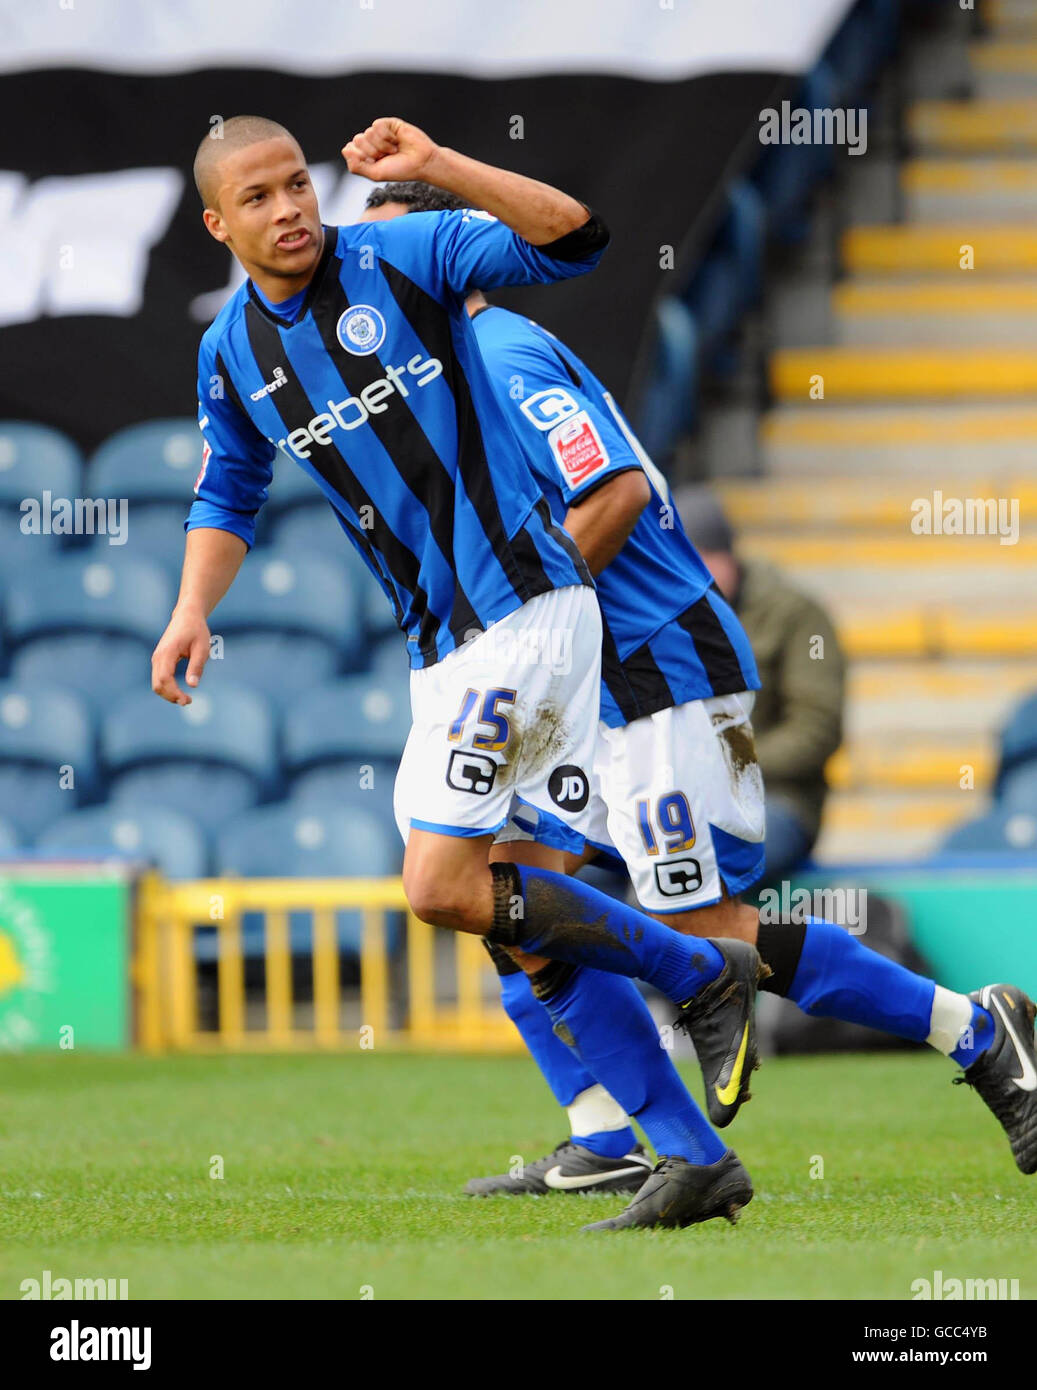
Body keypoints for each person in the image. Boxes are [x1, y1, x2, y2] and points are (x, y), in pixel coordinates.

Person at [150, 114, 768, 1233]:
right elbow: (227, 491)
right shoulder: (230, 349)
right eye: (258, 197)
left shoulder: (398, 253)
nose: (288, 207)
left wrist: (434, 169)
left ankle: (692, 968)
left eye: (298, 183)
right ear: (216, 222)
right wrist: (193, 609)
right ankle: (683, 1154)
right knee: (517, 911)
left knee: (438, 885)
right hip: (442, 647)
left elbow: (575, 237)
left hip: (527, 612)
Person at [359, 181, 1037, 1196]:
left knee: (701, 933)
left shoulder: (501, 357)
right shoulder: (440, 384)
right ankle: (603, 1132)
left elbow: (614, 493)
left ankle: (978, 1029)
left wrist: (516, 627)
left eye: (380, 261)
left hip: (648, 665)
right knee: (497, 884)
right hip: (569, 681)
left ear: (441, 262)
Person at [675, 485, 844, 880]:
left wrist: (724, 770)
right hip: (674, 800)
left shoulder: (794, 616)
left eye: (706, 560)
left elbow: (817, 729)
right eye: (683, 564)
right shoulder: (661, 617)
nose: (695, 577)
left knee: (694, 868)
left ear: (730, 557)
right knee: (586, 872)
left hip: (775, 800)